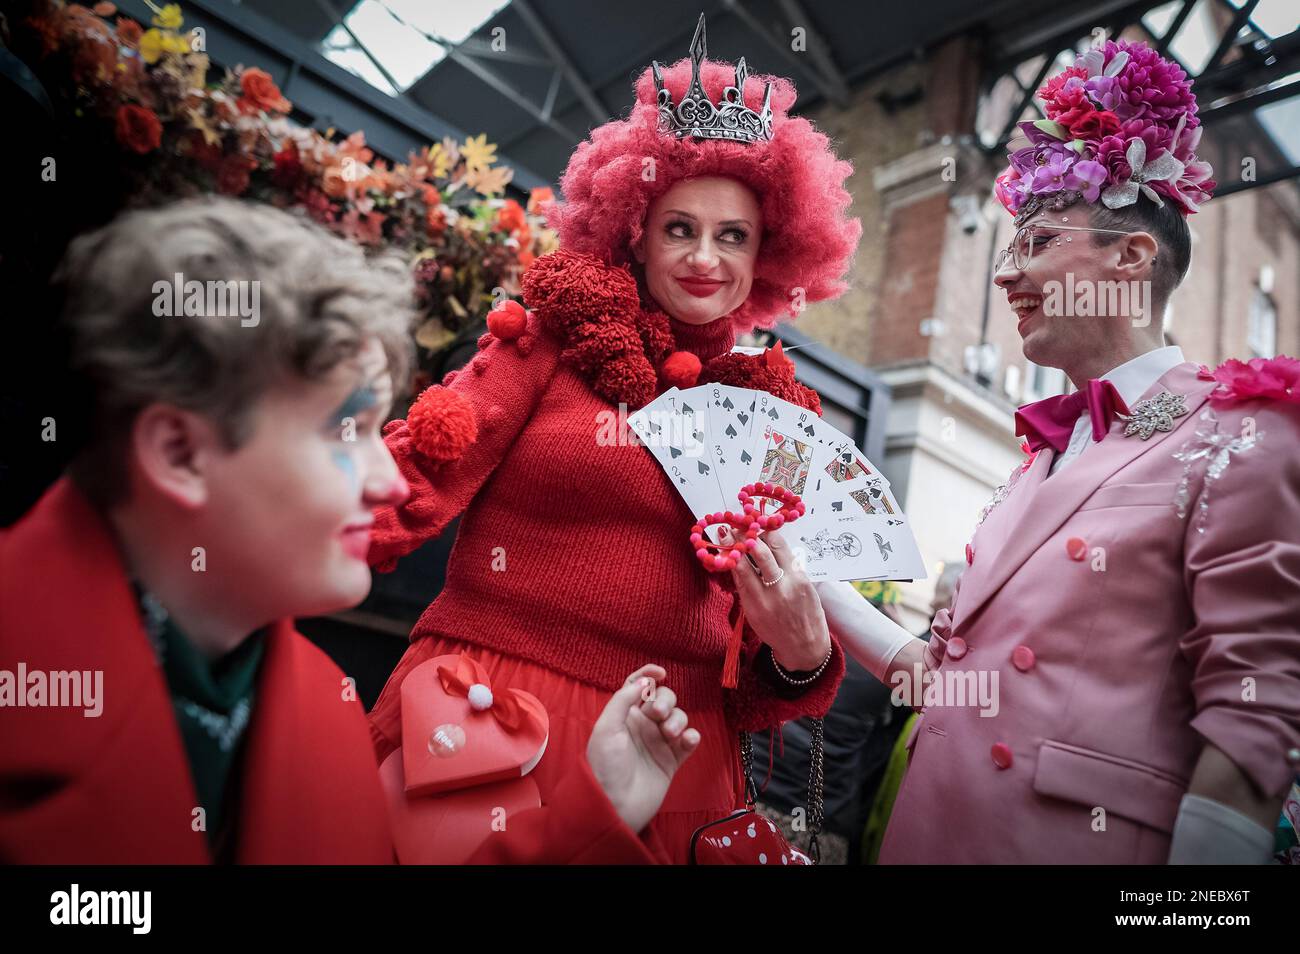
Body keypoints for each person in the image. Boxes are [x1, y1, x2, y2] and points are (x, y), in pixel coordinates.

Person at [0, 197, 704, 863]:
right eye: (346, 432)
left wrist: (594, 813)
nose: (391, 481)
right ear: (179, 453)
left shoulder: (329, 718)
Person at [736, 39, 1300, 864]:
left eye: (1036, 243)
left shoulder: (1246, 434)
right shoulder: (1041, 457)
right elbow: (945, 681)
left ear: (1131, 257)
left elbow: (1251, 732)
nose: (1008, 275)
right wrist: (811, 580)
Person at [365, 13, 861, 862]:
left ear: (770, 254)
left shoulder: (781, 418)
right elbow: (416, 475)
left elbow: (760, 670)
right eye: (680, 228)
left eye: (732, 235)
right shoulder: (551, 336)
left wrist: (805, 656)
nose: (705, 256)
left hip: (681, 752)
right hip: (496, 709)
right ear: (633, 228)